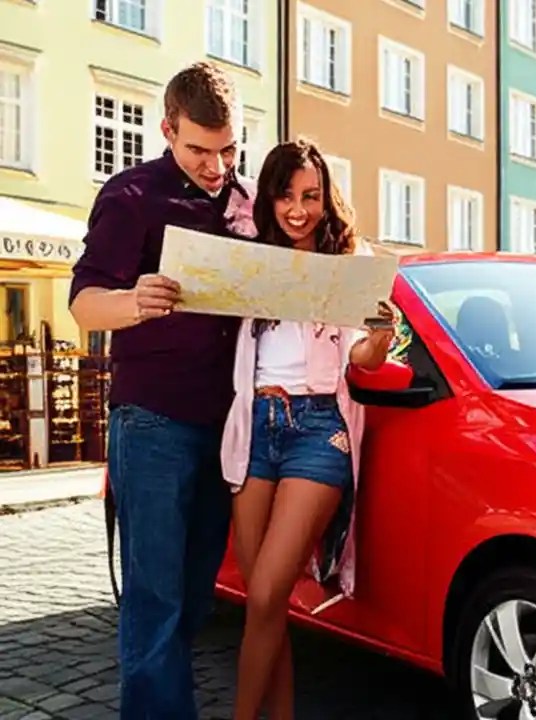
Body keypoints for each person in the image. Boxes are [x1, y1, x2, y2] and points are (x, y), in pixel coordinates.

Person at [68, 62, 252, 718]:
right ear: (168, 129)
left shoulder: (246, 202)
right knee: (155, 597)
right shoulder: (130, 195)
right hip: (152, 425)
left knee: (198, 596)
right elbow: (85, 305)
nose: (215, 164)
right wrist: (132, 300)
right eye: (200, 149)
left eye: (228, 148)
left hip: (228, 427)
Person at [220, 139, 395, 720]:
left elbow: (362, 361)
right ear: (269, 197)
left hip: (318, 430)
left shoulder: (347, 264)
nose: (299, 208)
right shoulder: (252, 262)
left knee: (270, 591)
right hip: (255, 428)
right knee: (261, 605)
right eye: (286, 195)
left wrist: (379, 338)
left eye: (311, 196)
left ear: (327, 199)